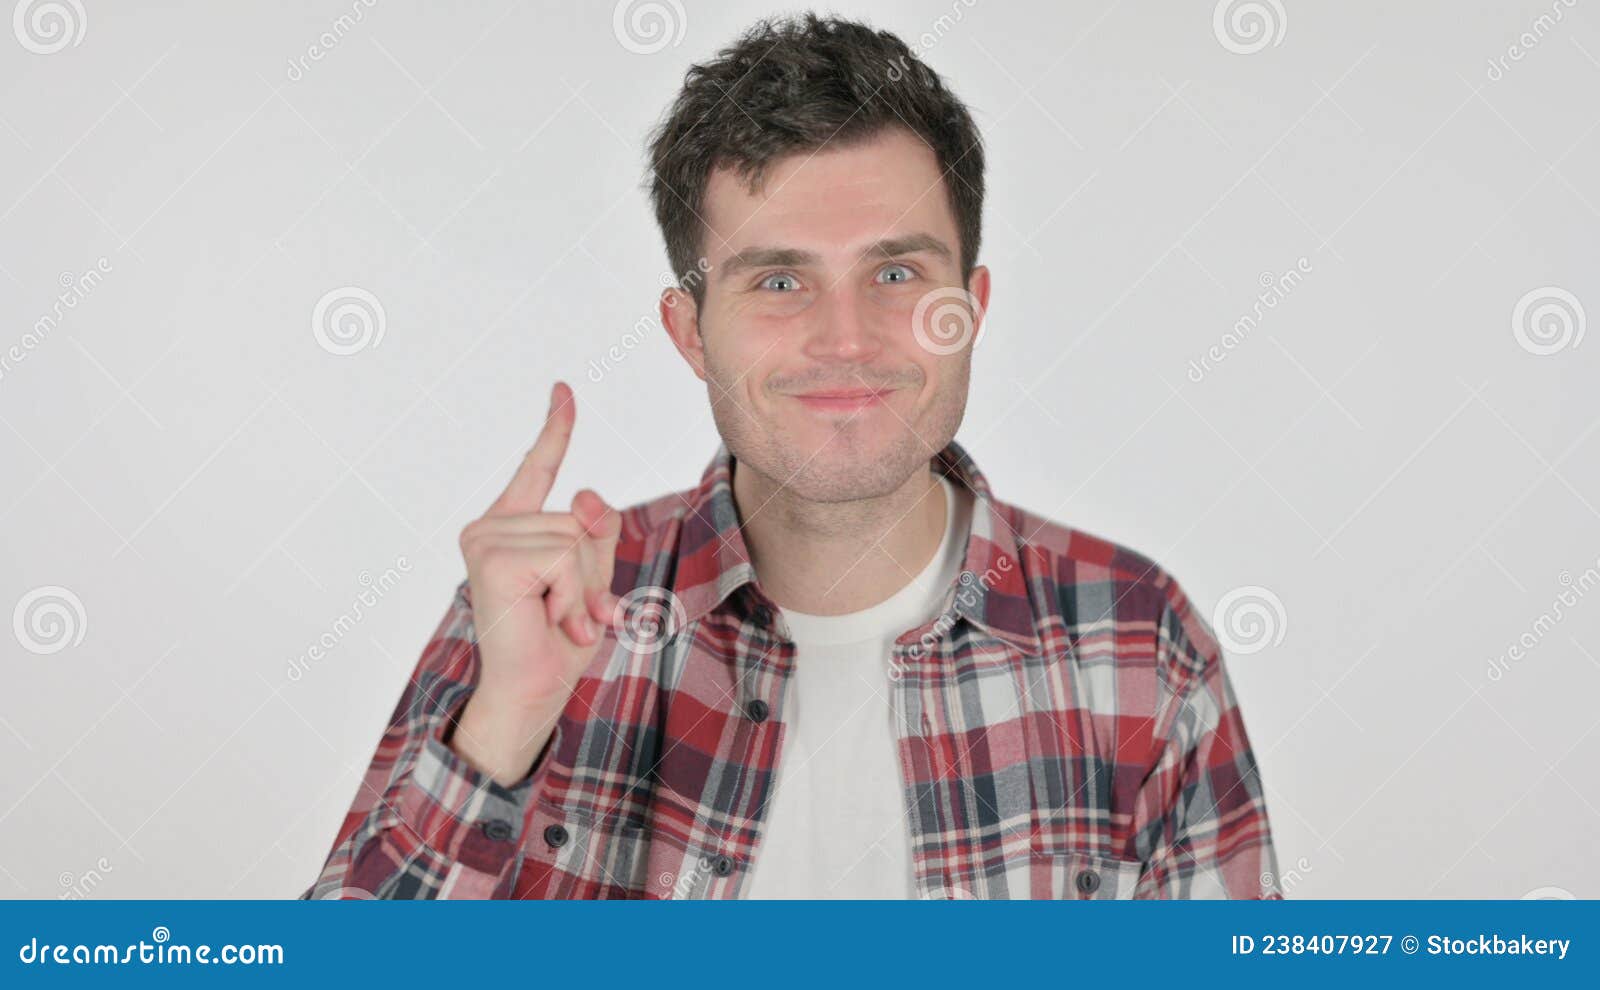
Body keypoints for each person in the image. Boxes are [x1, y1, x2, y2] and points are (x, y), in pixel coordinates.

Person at [303, 12, 1282, 900]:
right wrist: (501, 731)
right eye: (778, 280)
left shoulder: (1141, 638)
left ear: (971, 310)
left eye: (896, 272)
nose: (845, 338)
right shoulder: (543, 614)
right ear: (689, 332)